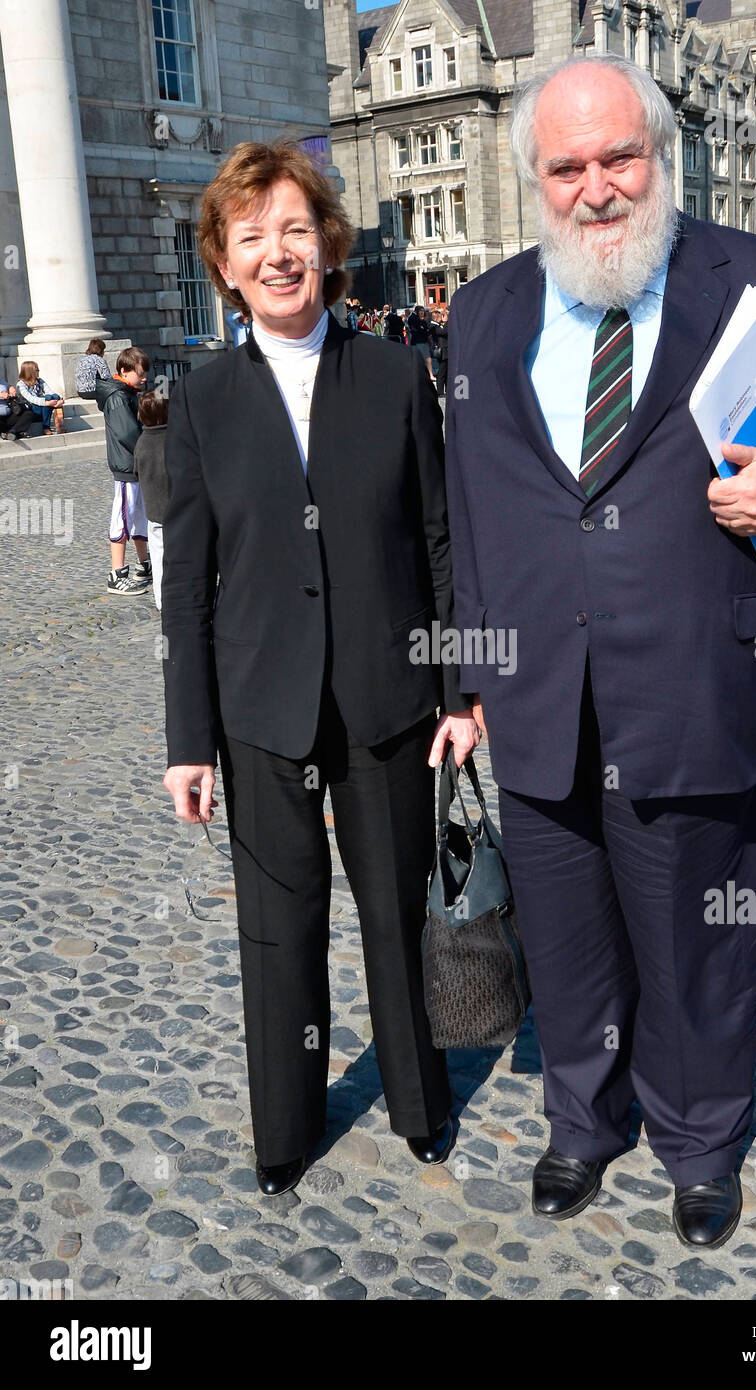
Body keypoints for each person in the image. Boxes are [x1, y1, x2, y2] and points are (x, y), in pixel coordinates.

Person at [445, 54, 756, 1246]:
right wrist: (462, 682)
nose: (597, 187)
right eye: (569, 165)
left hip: (699, 681)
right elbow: (469, 512)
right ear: (535, 177)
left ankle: (699, 1140)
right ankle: (581, 1123)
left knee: (701, 938)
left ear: (663, 155)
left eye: (619, 157)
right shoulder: (482, 313)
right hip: (539, 692)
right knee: (572, 936)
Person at [160, 140, 479, 1199]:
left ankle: (420, 1103)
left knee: (395, 915)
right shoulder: (200, 399)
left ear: (329, 244)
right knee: (278, 928)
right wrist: (186, 743)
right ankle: (285, 1128)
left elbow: (440, 541)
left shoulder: (394, 374)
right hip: (258, 710)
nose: (278, 252)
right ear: (224, 262)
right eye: (252, 237)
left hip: (385, 702)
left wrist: (459, 690)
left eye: (295, 229)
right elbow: (188, 584)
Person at [96, 346, 151, 596]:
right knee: (123, 519)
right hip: (126, 466)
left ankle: (143, 563)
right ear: (123, 370)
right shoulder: (118, 397)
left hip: (135, 465)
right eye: (139, 373)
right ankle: (116, 574)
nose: (144, 377)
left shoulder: (127, 393)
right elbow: (129, 433)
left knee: (139, 516)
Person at [134, 389, 169, 609]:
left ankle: (161, 599)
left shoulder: (141, 443)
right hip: (181, 511)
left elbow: (136, 472)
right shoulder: (176, 439)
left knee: (158, 557)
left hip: (155, 512)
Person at [17, 361, 64, 434]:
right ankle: (46, 427)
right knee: (47, 401)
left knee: (51, 396)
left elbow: (50, 391)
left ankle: (47, 427)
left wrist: (60, 400)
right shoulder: (21, 384)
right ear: (30, 371)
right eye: (37, 370)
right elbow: (30, 398)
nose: (39, 371)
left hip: (43, 407)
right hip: (32, 409)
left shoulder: (39, 381)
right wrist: (46, 402)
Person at [407, 305, 434, 379]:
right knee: (426, 359)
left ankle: (429, 374)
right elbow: (420, 331)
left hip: (421, 341)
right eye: (420, 311)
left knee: (426, 359)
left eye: (423, 311)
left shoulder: (421, 320)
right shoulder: (416, 319)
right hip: (419, 341)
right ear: (417, 311)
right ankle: (429, 374)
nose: (422, 312)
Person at [431, 306, 449, 396]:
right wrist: (446, 322)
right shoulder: (433, 326)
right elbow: (444, 332)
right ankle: (440, 391)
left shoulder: (438, 325)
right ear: (437, 318)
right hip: (441, 352)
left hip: (445, 351)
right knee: (441, 372)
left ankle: (447, 389)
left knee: (446, 372)